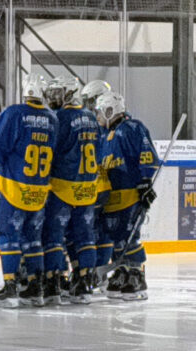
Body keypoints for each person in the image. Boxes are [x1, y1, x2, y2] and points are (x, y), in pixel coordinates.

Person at [0, 73, 57, 308]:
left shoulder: (14, 113)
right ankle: (35, 288)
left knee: (9, 237)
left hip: (13, 189)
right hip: (39, 190)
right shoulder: (52, 119)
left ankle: (10, 289)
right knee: (33, 239)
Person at [40, 76, 100, 305]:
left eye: (58, 93)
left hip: (62, 188)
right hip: (87, 189)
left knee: (53, 237)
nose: (53, 97)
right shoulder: (92, 119)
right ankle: (84, 282)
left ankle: (54, 281)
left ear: (70, 93)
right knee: (84, 236)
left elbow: (50, 151)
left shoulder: (59, 118)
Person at [95, 92, 157, 301]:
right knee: (116, 237)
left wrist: (145, 182)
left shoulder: (132, 128)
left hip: (130, 194)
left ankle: (137, 274)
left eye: (100, 112)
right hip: (112, 197)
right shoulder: (106, 134)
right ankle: (123, 271)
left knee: (129, 236)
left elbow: (147, 156)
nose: (98, 116)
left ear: (110, 110)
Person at [80, 80, 115, 290]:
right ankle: (96, 274)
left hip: (99, 189)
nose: (88, 106)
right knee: (99, 233)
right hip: (99, 188)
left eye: (90, 101)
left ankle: (97, 273)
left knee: (98, 233)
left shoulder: (106, 126)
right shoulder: (98, 124)